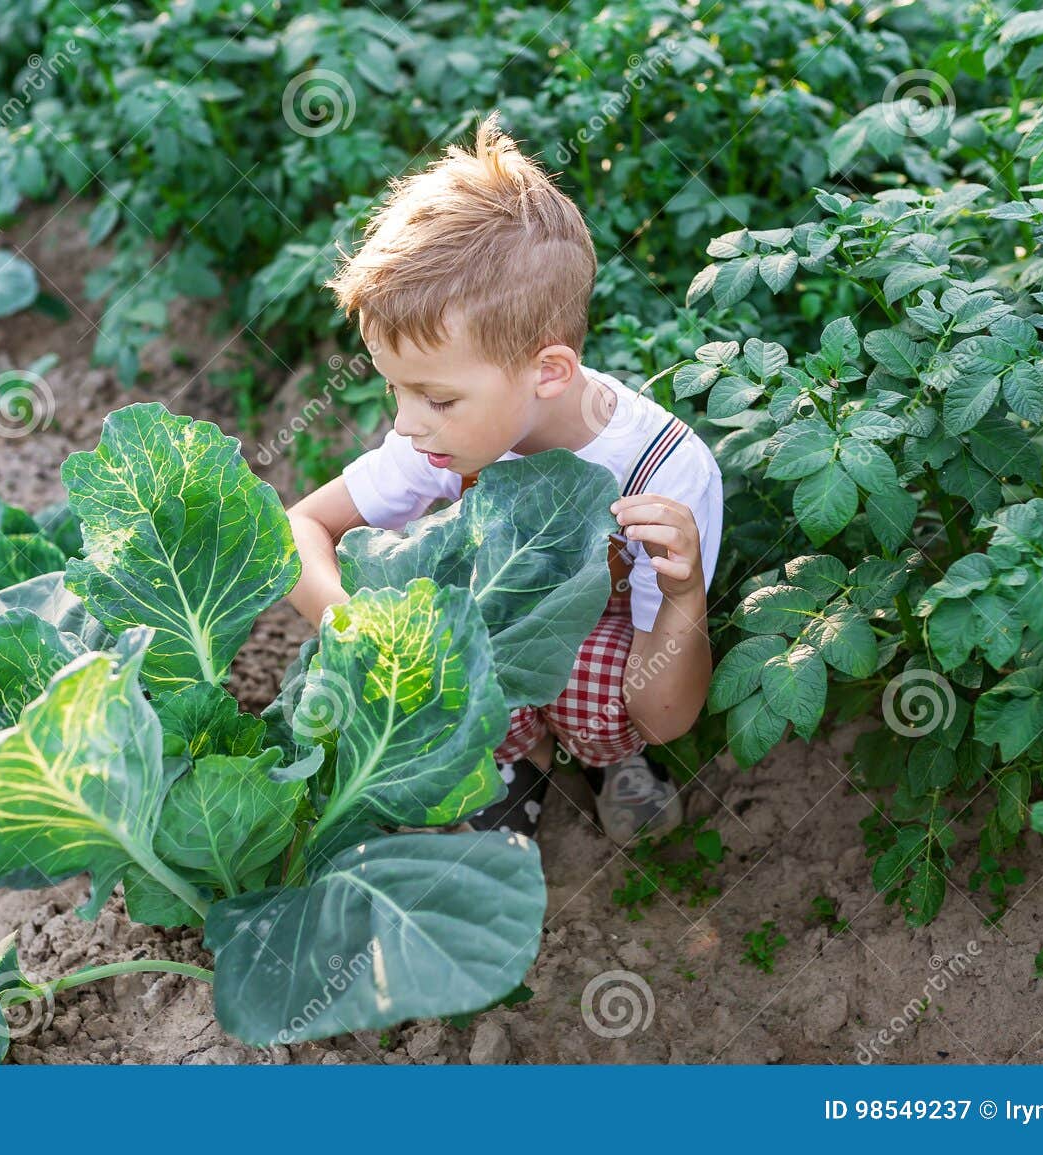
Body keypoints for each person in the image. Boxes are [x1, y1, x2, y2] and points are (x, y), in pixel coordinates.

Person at [283, 112, 722, 847]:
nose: (406, 425)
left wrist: (684, 595)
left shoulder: (667, 471)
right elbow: (301, 527)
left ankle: (612, 758)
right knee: (445, 642)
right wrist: (352, 626)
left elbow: (671, 708)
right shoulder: (434, 441)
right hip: (497, 659)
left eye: (436, 398)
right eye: (397, 391)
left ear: (548, 371)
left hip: (613, 671)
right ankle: (513, 760)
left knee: (609, 698)